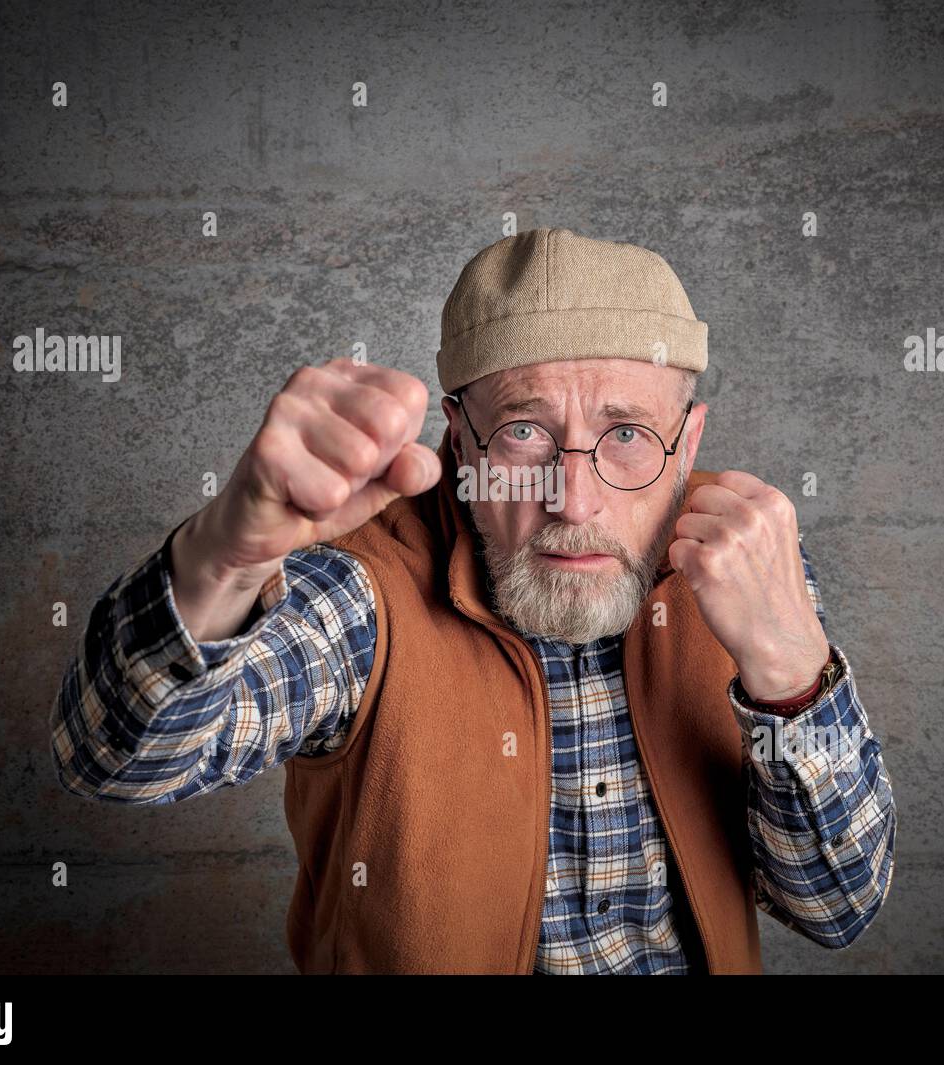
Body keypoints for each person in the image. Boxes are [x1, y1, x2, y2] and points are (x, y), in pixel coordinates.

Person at [51, 226, 896, 974]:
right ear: (459, 438)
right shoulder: (366, 589)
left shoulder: (746, 568)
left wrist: (791, 671)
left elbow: (837, 908)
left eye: (628, 434)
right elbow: (115, 760)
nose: (574, 499)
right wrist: (222, 560)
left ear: (688, 442)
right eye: (525, 430)